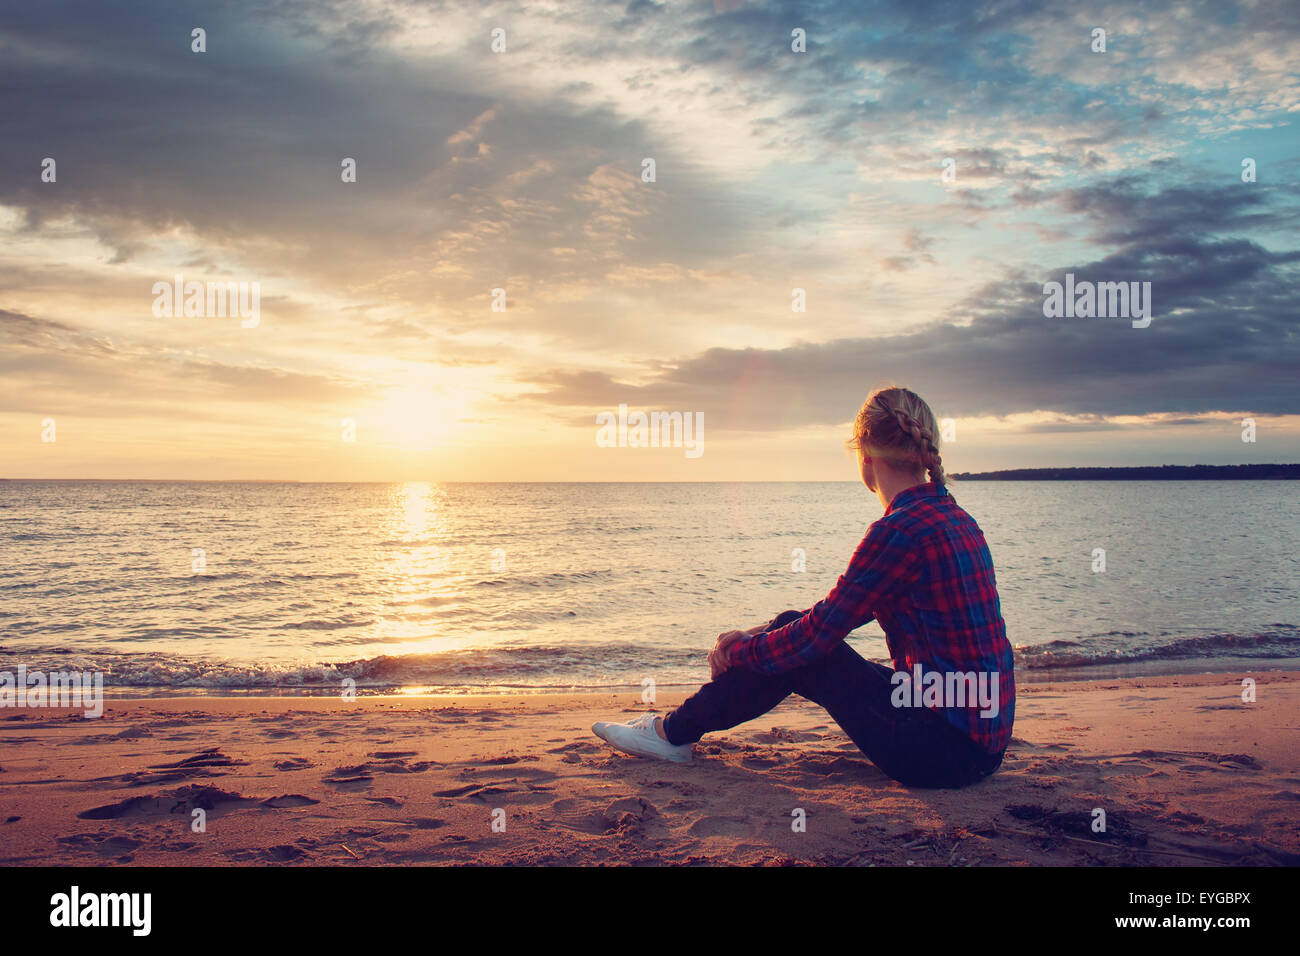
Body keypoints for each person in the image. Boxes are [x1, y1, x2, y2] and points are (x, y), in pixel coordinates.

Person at [592, 386, 1014, 788]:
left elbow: (815, 639)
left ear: (865, 453)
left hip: (942, 752)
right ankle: (675, 732)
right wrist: (756, 634)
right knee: (796, 632)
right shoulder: (953, 516)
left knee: (808, 653)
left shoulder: (898, 530)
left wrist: (737, 652)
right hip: (981, 743)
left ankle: (672, 734)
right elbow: (841, 611)